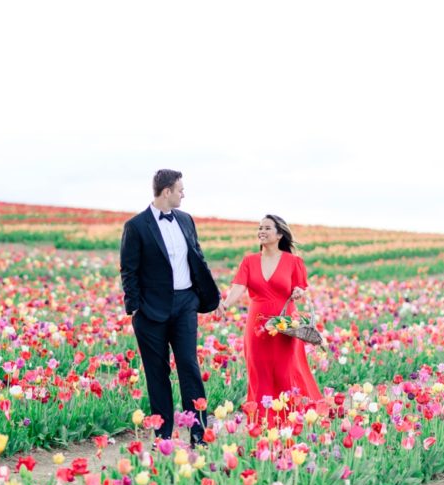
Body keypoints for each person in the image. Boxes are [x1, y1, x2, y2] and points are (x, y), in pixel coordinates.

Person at [120, 169, 221, 446]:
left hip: (186, 303)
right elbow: (128, 270)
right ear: (167, 192)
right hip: (150, 310)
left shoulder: (186, 220)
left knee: (189, 366)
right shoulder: (136, 226)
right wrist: (135, 308)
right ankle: (163, 436)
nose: (183, 194)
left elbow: (198, 257)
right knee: (157, 373)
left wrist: (211, 295)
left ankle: (198, 434)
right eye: (180, 190)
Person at [217, 214, 321, 424]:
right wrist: (225, 305)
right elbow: (238, 288)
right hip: (257, 325)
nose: (261, 232)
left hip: (285, 325)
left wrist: (298, 292)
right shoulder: (249, 261)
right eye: (260, 228)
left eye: (267, 228)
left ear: (279, 234)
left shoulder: (293, 262)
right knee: (259, 370)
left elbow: (299, 288)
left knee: (285, 370)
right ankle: (263, 421)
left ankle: (290, 418)